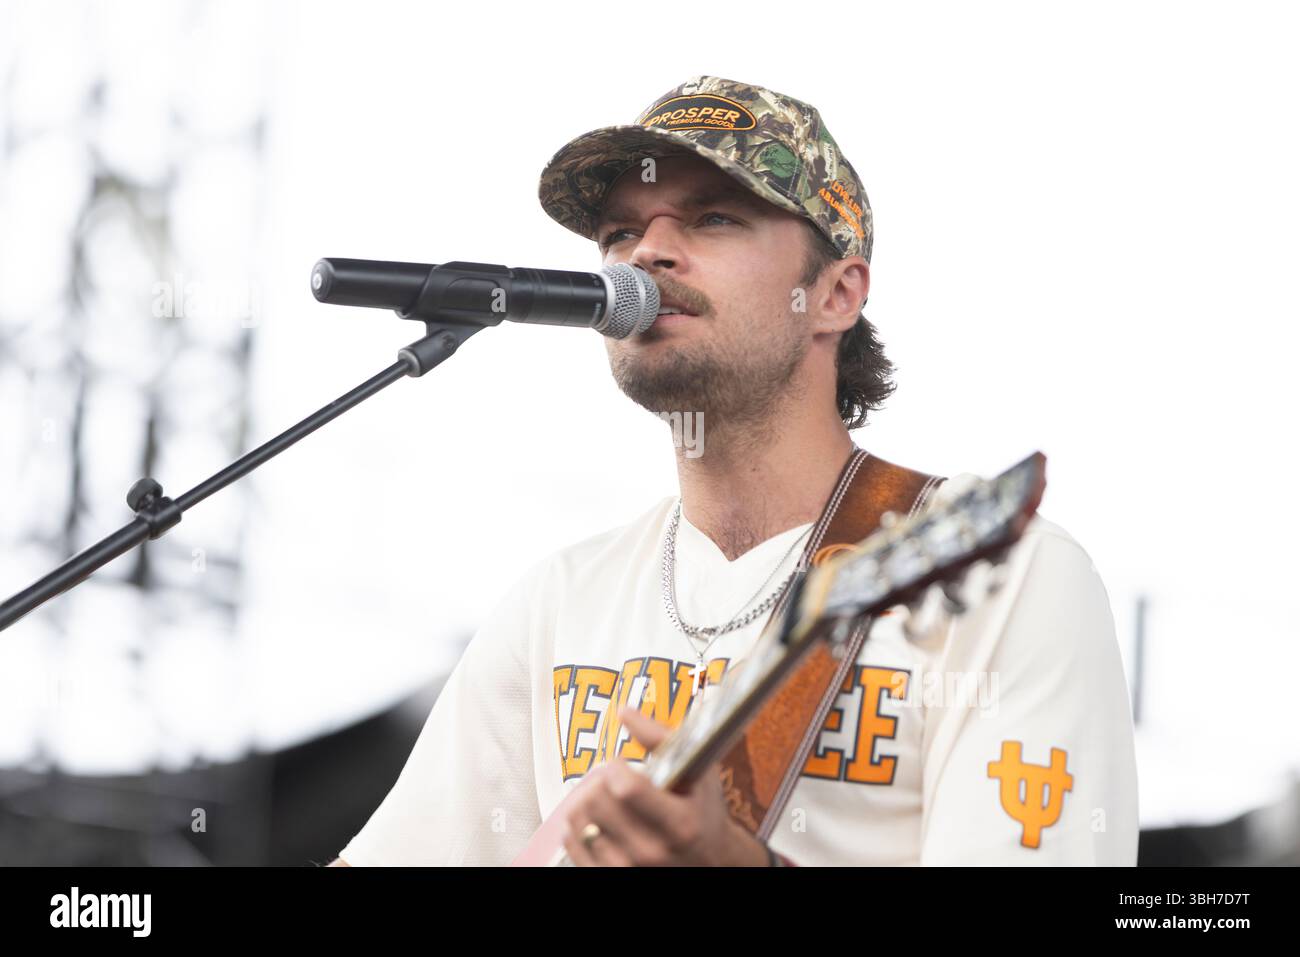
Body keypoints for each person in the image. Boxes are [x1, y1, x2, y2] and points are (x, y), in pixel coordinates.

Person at [329, 76, 1138, 867]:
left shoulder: (1013, 573)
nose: (645, 252)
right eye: (619, 233)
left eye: (713, 217)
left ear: (834, 294)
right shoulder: (559, 602)